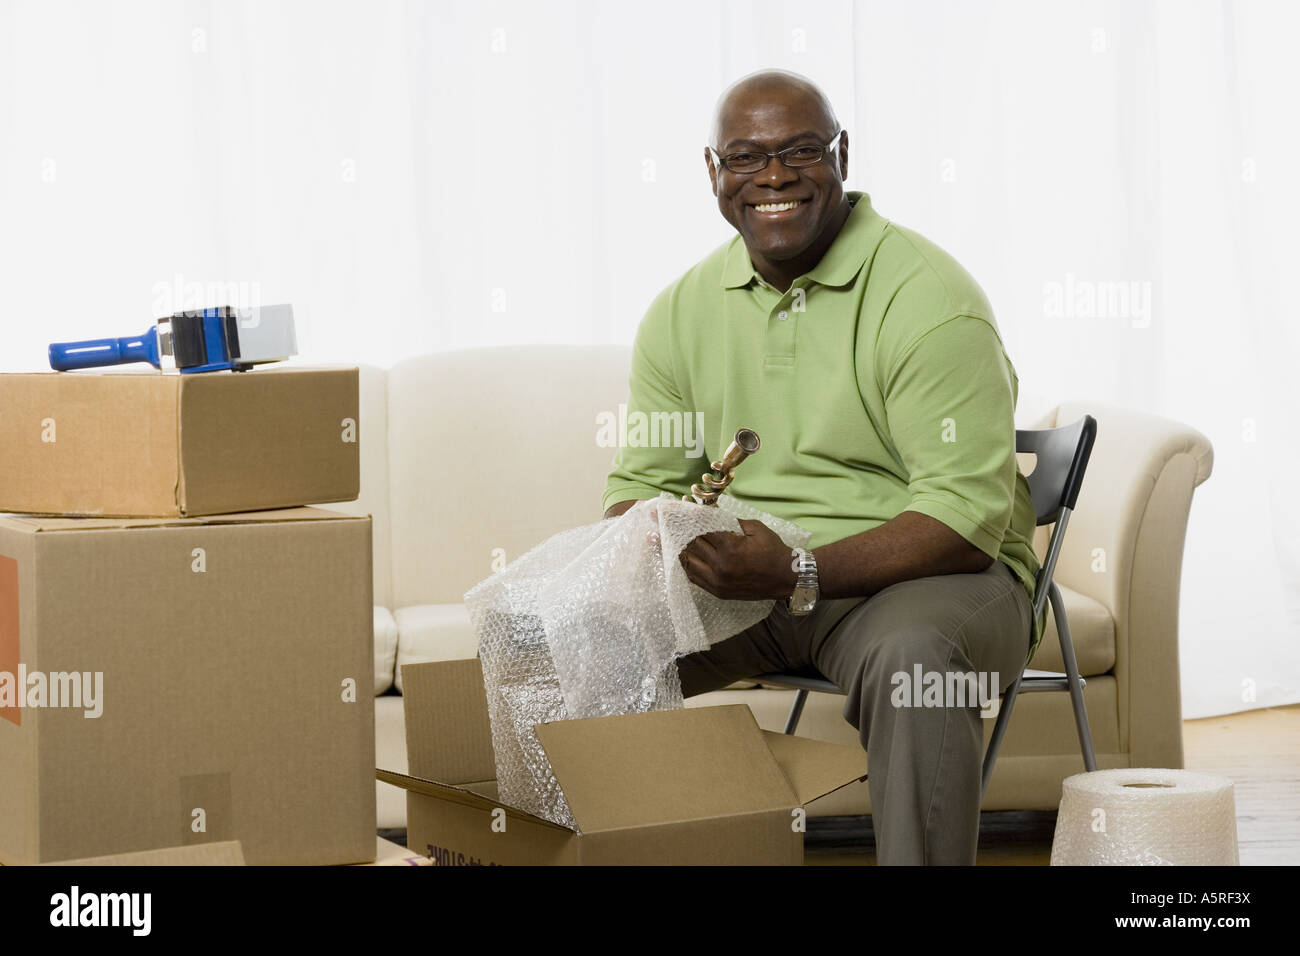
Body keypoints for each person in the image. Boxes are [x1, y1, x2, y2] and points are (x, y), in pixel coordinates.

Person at [601, 69, 1046, 866]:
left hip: (922, 582)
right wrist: (645, 536)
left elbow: (964, 523)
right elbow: (639, 487)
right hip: (750, 585)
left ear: (842, 155)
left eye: (800, 151)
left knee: (915, 662)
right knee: (561, 640)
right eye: (746, 157)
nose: (772, 177)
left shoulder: (929, 297)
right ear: (713, 173)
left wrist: (798, 567)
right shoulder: (680, 311)